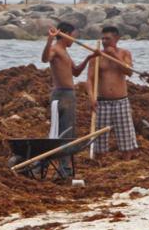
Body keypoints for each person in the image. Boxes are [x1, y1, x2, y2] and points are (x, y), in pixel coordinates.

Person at [79, 26, 139, 159]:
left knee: (126, 139)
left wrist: (113, 55)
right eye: (103, 38)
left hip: (121, 101)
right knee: (99, 141)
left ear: (117, 39)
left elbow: (128, 72)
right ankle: (99, 164)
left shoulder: (124, 53)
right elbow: (89, 79)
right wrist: (91, 97)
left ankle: (126, 162)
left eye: (108, 38)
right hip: (102, 101)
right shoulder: (96, 57)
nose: (105, 41)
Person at [40, 22, 86, 178]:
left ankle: (61, 168)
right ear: (65, 34)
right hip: (61, 95)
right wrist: (49, 40)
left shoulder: (65, 52)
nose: (74, 39)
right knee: (60, 133)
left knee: (67, 132)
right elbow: (45, 59)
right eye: (73, 36)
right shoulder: (55, 49)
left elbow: (76, 73)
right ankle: (61, 169)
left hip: (69, 95)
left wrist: (90, 58)